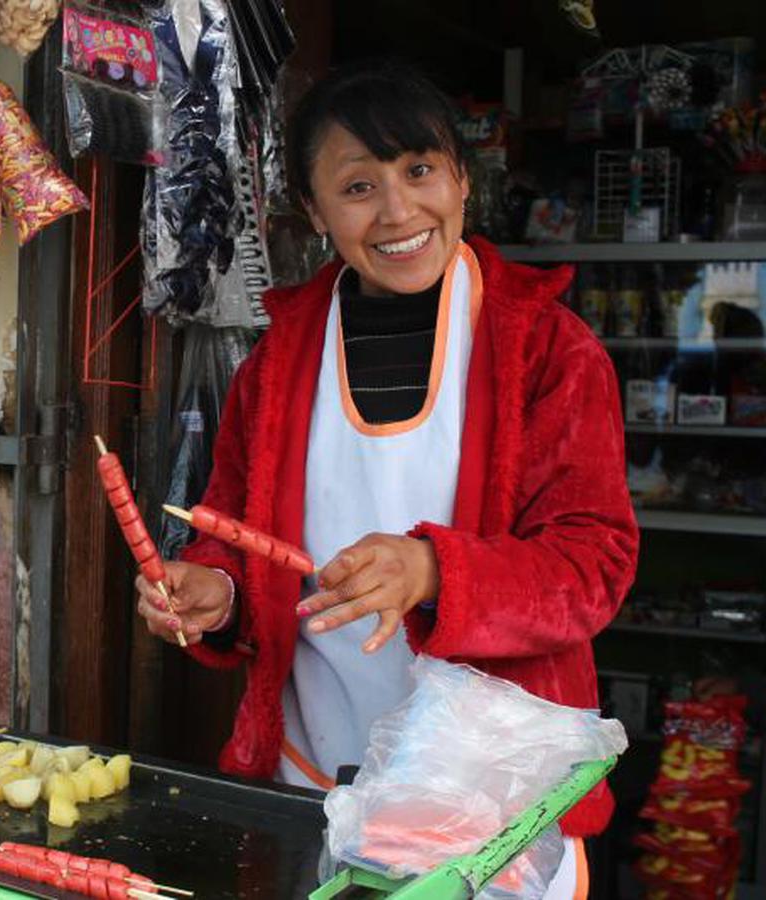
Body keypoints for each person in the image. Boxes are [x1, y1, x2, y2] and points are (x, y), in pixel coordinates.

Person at [135, 58, 638, 895]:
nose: (399, 212)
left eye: (420, 170)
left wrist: (435, 570)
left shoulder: (549, 351)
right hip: (316, 774)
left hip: (494, 801)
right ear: (314, 210)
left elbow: (594, 567)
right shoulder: (278, 362)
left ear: (462, 179)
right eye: (359, 187)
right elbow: (231, 532)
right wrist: (215, 592)